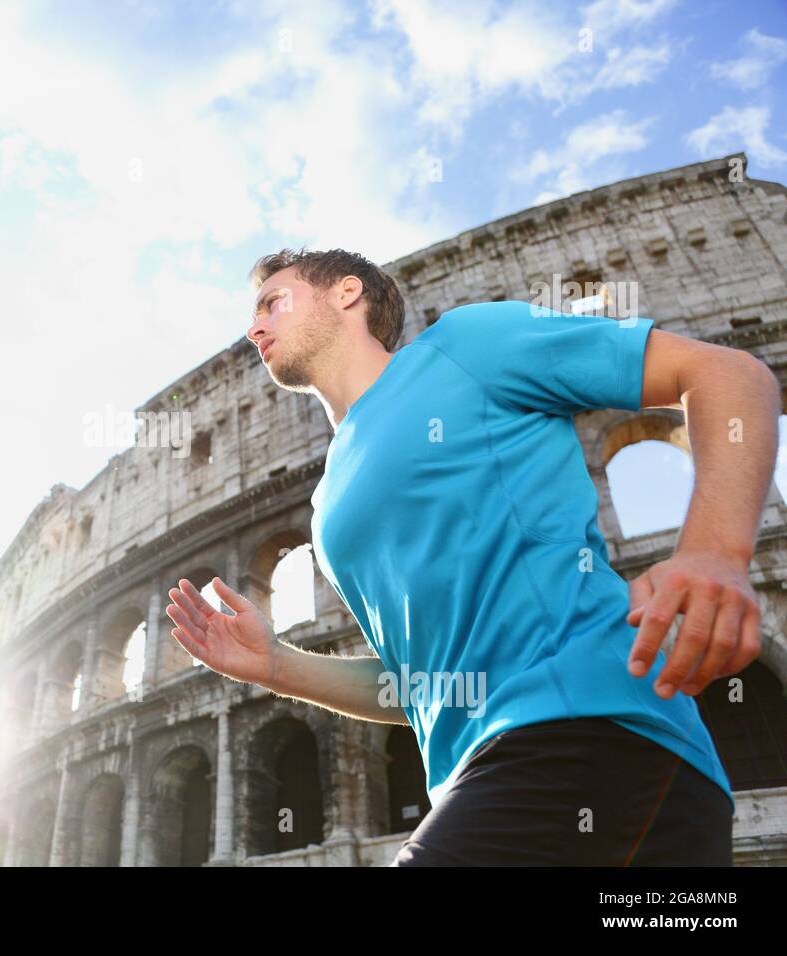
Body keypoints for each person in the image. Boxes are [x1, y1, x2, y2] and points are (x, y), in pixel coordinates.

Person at [165, 247, 777, 865]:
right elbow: (417, 685)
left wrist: (714, 553)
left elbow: (729, 376)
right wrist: (276, 665)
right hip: (480, 772)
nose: (255, 326)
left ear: (347, 292)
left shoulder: (467, 346)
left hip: (596, 734)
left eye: (274, 302)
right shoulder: (328, 507)